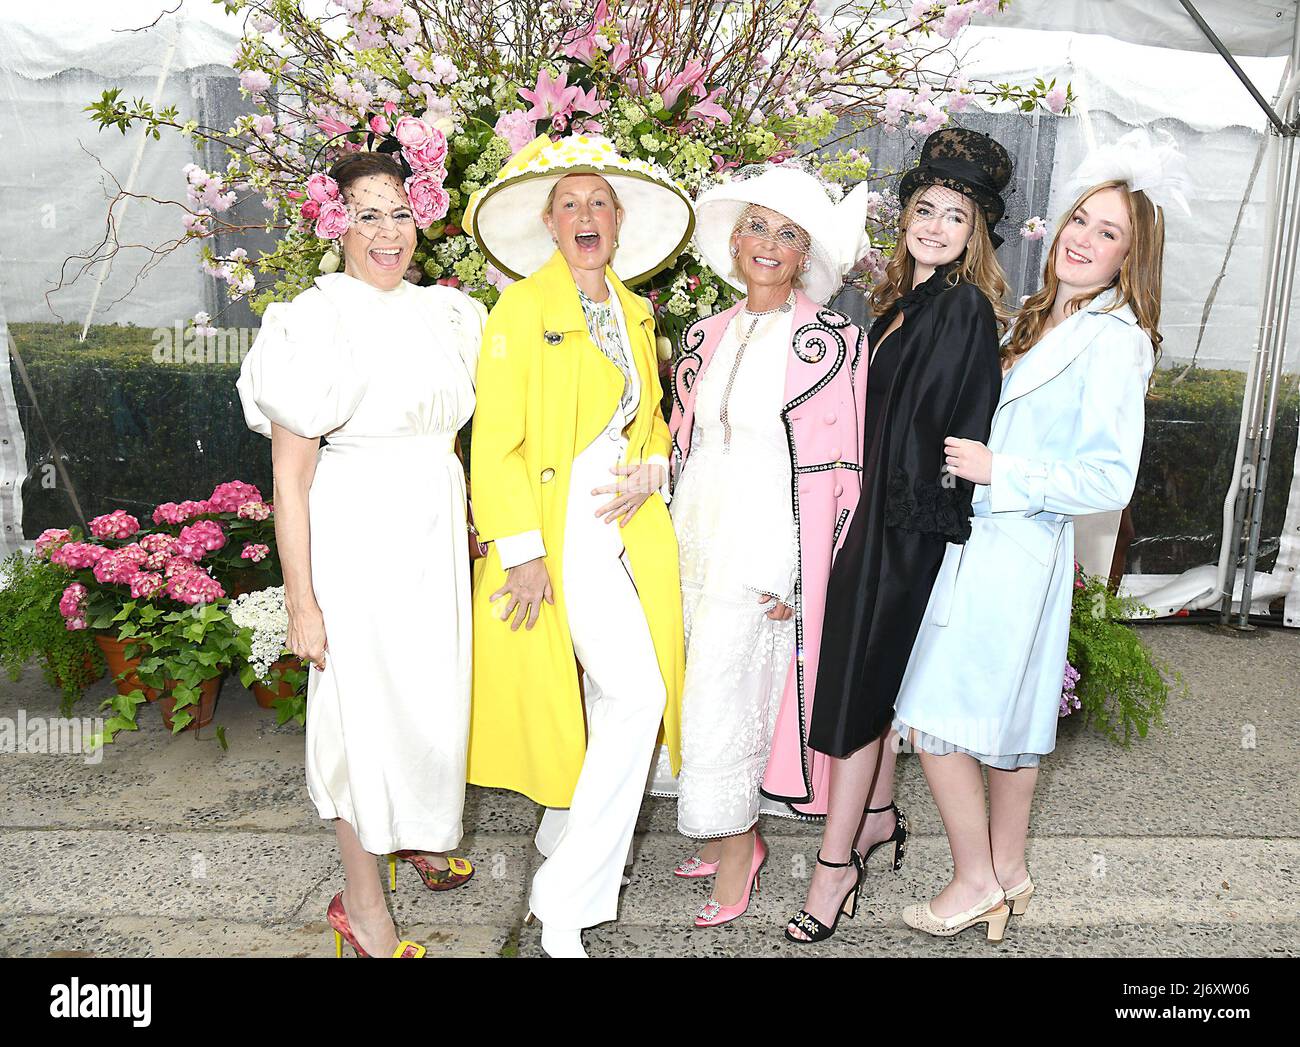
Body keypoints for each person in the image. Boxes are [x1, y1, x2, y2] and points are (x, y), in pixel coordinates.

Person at [893, 130, 1181, 941]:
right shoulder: (1036, 317)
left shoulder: (1116, 342)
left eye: (1108, 232)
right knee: (1013, 729)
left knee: (936, 719)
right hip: (996, 552)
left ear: (1131, 257)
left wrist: (999, 469)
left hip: (1016, 547)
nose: (1083, 240)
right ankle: (1011, 870)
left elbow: (1108, 480)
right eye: (1079, 221)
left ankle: (973, 878)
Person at [237, 150, 486, 958]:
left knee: (433, 710)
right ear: (334, 221)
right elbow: (289, 475)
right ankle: (363, 908)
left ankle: (415, 828)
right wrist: (301, 601)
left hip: (435, 532)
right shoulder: (309, 322)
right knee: (363, 721)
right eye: (366, 213)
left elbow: (455, 437)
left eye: (399, 211)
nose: (388, 232)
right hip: (356, 537)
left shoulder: (449, 313)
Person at [462, 135, 694, 958]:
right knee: (637, 693)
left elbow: (652, 418)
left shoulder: (635, 310)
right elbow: (496, 442)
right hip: (560, 529)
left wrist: (652, 465)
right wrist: (523, 550)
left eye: (599, 201)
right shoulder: (520, 310)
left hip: (628, 520)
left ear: (620, 220)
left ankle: (564, 831)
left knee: (616, 693)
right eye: (570, 203)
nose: (586, 214)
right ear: (549, 224)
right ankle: (564, 901)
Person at [786, 128, 1012, 943]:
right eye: (925, 209)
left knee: (855, 691)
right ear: (907, 217)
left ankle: (833, 868)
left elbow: (959, 437)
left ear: (974, 234)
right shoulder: (902, 304)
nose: (936, 225)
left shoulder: (961, 310)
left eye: (956, 217)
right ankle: (878, 814)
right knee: (870, 693)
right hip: (874, 523)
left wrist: (910, 547)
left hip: (905, 535)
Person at [654, 162, 873, 927]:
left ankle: (742, 848)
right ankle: (721, 827)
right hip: (694, 524)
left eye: (787, 233)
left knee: (725, 687)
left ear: (806, 252)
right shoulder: (704, 332)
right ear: (734, 238)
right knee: (692, 674)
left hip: (766, 531)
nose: (768, 244)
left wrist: (806, 570)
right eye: (756, 226)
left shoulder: (836, 341)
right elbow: (682, 439)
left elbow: (845, 467)